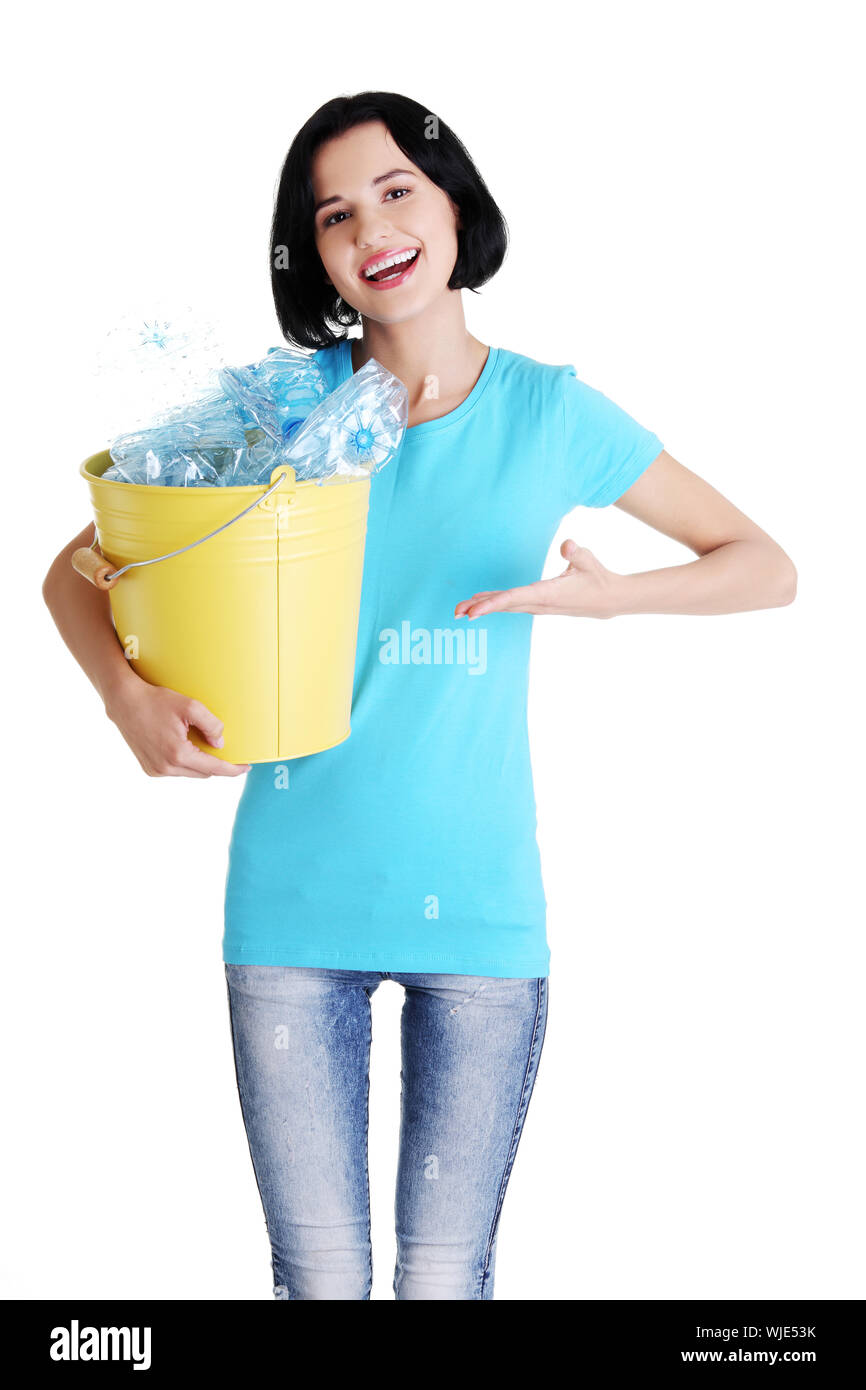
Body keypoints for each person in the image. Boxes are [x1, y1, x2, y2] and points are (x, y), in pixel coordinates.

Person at [43, 90, 797, 1301]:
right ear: (317, 255)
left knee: (447, 1279)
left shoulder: (551, 411)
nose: (371, 228)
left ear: (452, 202)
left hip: (483, 920)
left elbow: (763, 567)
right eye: (334, 212)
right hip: (290, 909)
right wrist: (126, 699)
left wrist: (601, 601)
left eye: (396, 188)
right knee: (317, 1281)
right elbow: (74, 568)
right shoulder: (275, 412)